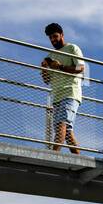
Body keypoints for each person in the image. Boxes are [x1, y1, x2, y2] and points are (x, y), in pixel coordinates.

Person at [40, 22, 85, 154]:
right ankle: (79, 161)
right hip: (57, 96)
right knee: (67, 132)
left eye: (55, 36)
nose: (53, 40)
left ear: (62, 35)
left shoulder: (72, 48)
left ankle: (52, 158)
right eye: (51, 38)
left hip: (70, 93)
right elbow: (47, 80)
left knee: (61, 126)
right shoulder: (50, 56)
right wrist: (43, 69)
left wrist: (60, 67)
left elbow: (81, 68)